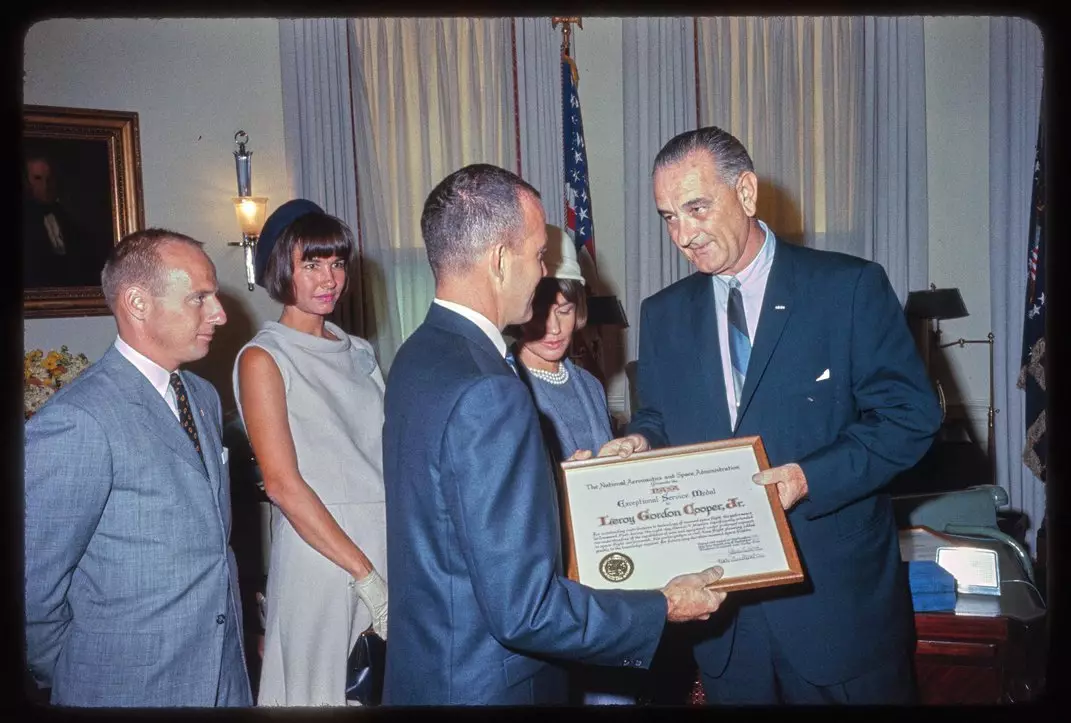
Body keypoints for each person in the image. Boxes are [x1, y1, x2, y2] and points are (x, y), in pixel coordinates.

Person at [600, 126, 943, 704]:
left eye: (696, 208)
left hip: (837, 615)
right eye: (668, 217)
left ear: (748, 192)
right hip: (727, 623)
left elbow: (910, 418)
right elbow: (660, 417)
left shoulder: (848, 287)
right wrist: (639, 441)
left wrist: (810, 477)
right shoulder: (663, 314)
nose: (682, 235)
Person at [381, 163, 729, 706]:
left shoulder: (418, 355)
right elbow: (526, 610)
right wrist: (663, 605)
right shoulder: (489, 390)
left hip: (430, 672)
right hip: (491, 687)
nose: (543, 273)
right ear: (500, 260)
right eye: (538, 256)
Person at [24, 228, 251, 707]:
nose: (220, 313)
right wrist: (74, 670)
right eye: (199, 298)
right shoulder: (78, 419)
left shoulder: (202, 396)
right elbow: (32, 586)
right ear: (137, 303)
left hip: (221, 674)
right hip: (126, 688)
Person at [232, 199, 388, 706]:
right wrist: (363, 574)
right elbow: (281, 484)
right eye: (311, 264)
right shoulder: (264, 357)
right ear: (281, 268)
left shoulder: (359, 350)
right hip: (323, 558)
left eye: (337, 263)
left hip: (383, 546)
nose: (330, 279)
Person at [506, 229, 641, 705]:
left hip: (605, 573)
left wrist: (622, 460)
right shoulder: (508, 385)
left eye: (565, 311)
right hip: (555, 583)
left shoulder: (585, 383)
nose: (555, 328)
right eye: (542, 313)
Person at [23, 153, 107, 288]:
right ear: (27, 182)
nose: (46, 185)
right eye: (38, 179)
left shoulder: (68, 218)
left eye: (49, 179)